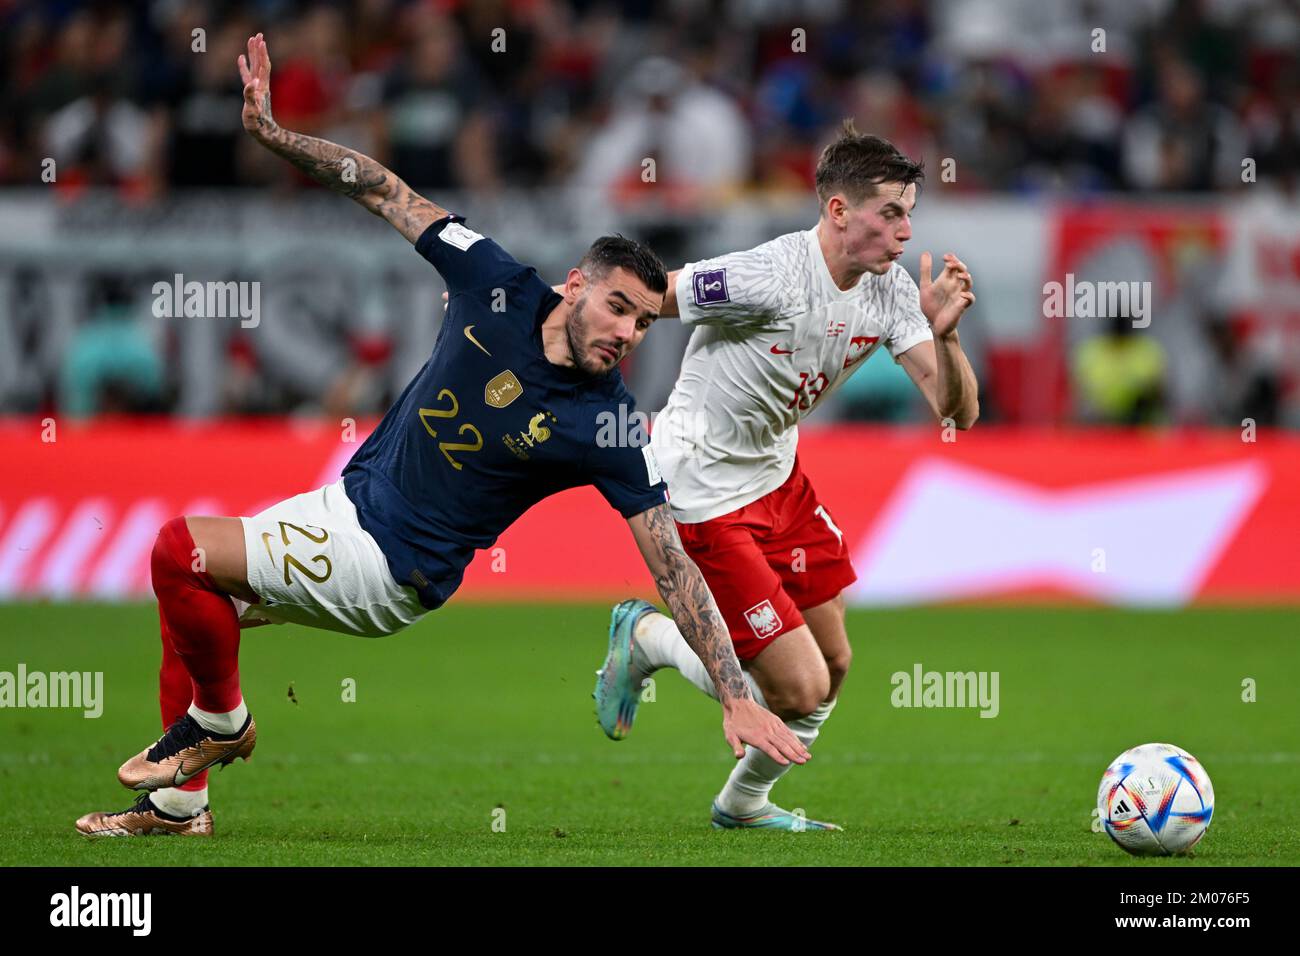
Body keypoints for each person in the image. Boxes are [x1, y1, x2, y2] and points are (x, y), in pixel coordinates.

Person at [75, 34, 806, 838]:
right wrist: (279, 137)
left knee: (180, 551)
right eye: (619, 307)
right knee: (189, 608)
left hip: (392, 565)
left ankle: (220, 728)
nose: (630, 332)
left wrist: (736, 693)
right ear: (575, 285)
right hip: (345, 506)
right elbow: (385, 190)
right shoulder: (492, 282)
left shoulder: (608, 423)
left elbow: (671, 564)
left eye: (643, 318)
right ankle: (180, 809)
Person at [594, 121, 980, 830]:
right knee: (798, 689)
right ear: (838, 211)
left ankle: (743, 806)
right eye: (890, 213)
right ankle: (647, 639)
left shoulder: (893, 293)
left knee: (834, 661)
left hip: (778, 479)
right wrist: (557, 321)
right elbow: (654, 294)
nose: (904, 233)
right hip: (701, 487)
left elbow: (957, 410)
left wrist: (948, 337)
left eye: (909, 217)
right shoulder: (766, 275)